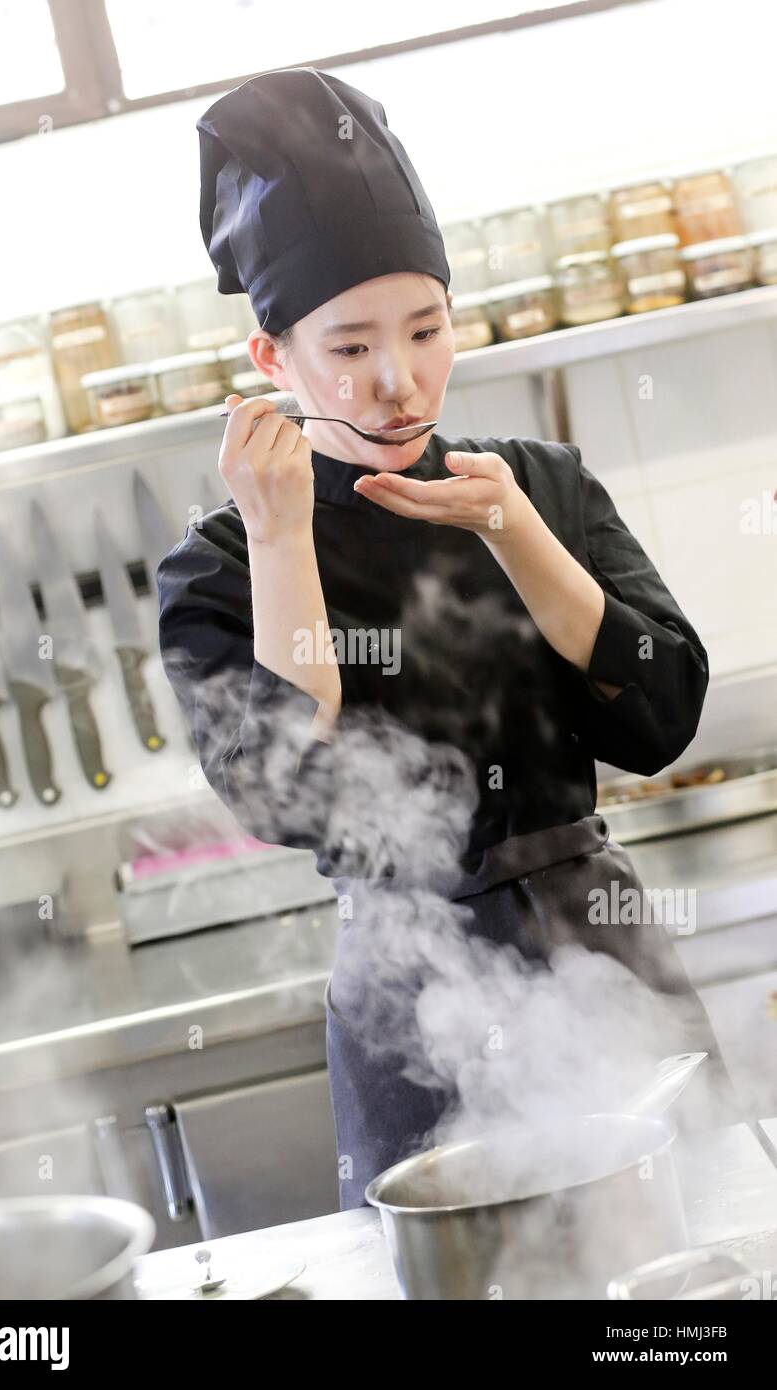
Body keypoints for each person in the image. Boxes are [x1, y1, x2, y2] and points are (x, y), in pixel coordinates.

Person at [158, 67, 741, 1212]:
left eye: (426, 329)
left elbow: (663, 715)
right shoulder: (221, 566)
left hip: (604, 960)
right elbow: (289, 798)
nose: (397, 380)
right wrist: (283, 539)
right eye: (349, 347)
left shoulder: (541, 487)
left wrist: (516, 534)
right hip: (413, 1002)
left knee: (690, 1278)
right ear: (272, 360)